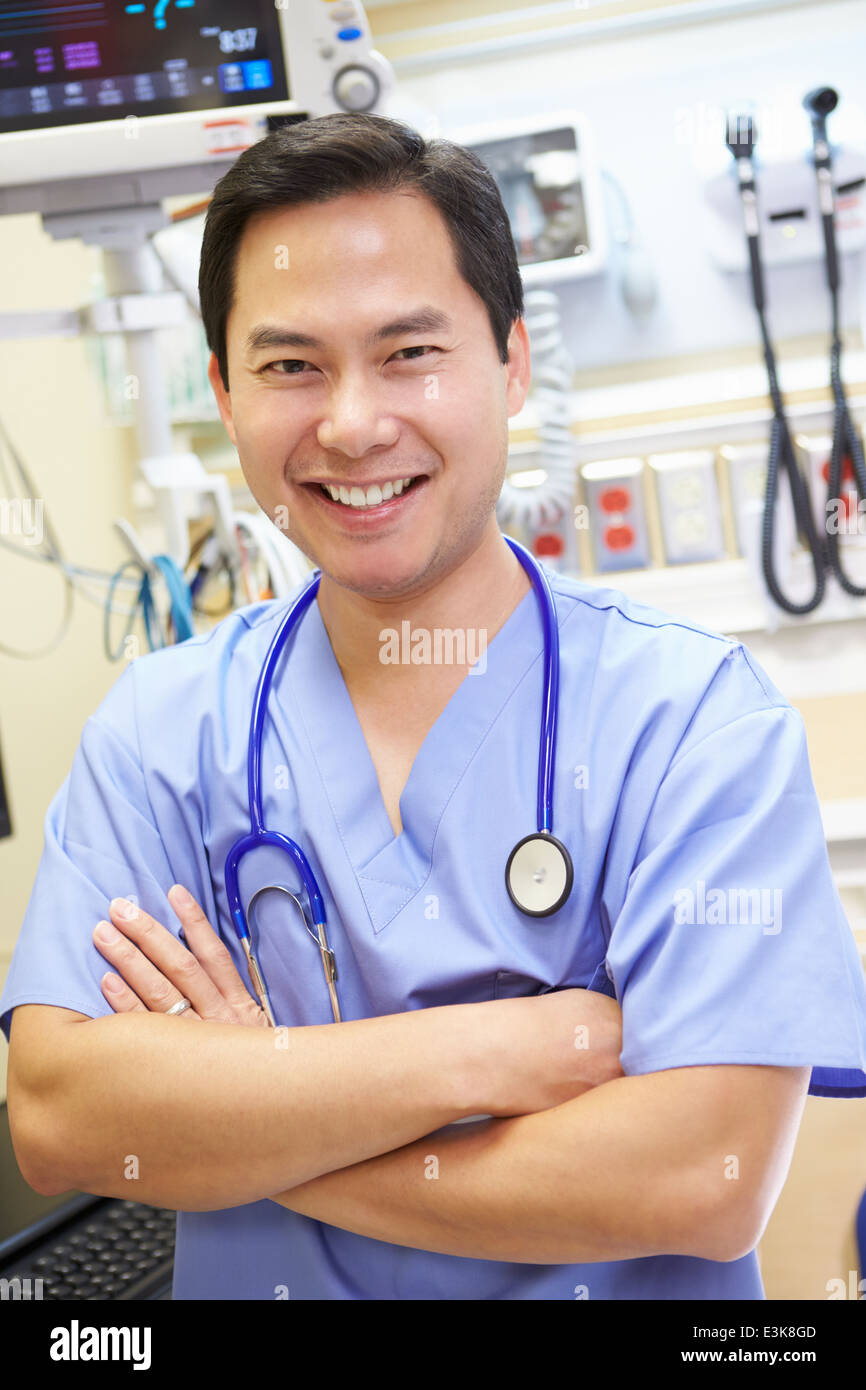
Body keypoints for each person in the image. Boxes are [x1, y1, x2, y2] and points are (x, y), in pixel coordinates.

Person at [3, 113, 865, 1302]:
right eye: (289, 364)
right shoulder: (161, 732)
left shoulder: (692, 721)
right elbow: (62, 1117)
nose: (352, 423)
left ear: (512, 365)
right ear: (222, 390)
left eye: (410, 352)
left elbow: (701, 1177)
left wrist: (257, 1118)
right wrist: (508, 1048)